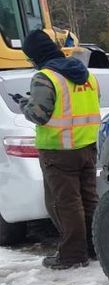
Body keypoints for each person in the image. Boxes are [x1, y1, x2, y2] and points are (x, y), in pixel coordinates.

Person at [18, 29, 101, 269]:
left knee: (65, 203)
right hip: (87, 145)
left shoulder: (45, 77)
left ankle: (72, 256)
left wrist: (25, 104)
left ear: (36, 55)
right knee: (89, 200)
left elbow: (39, 115)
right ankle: (96, 247)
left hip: (58, 149)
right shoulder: (87, 75)